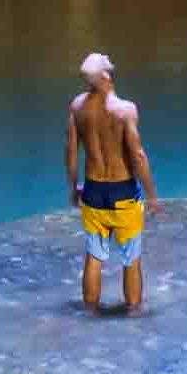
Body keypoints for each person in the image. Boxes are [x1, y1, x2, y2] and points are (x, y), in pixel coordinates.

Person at [66, 52, 159, 313]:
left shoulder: (77, 108)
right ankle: (133, 312)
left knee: (94, 256)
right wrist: (151, 195)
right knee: (131, 259)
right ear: (106, 77)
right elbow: (138, 155)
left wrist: (74, 188)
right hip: (123, 192)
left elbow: (71, 152)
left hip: (93, 191)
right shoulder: (124, 110)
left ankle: (90, 311)